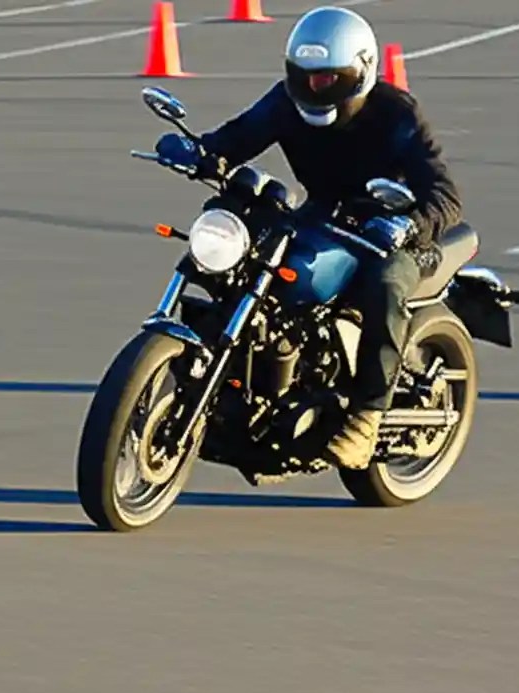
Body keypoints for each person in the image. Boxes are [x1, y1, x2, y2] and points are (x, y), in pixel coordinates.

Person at [153, 6, 464, 470]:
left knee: (385, 284)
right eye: (306, 77)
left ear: (361, 71)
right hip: (324, 212)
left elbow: (443, 192)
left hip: (392, 229)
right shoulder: (285, 101)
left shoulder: (396, 114)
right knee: (246, 244)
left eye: (328, 79)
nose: (315, 88)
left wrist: (410, 224)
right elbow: (241, 134)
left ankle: (366, 417)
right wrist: (200, 152)